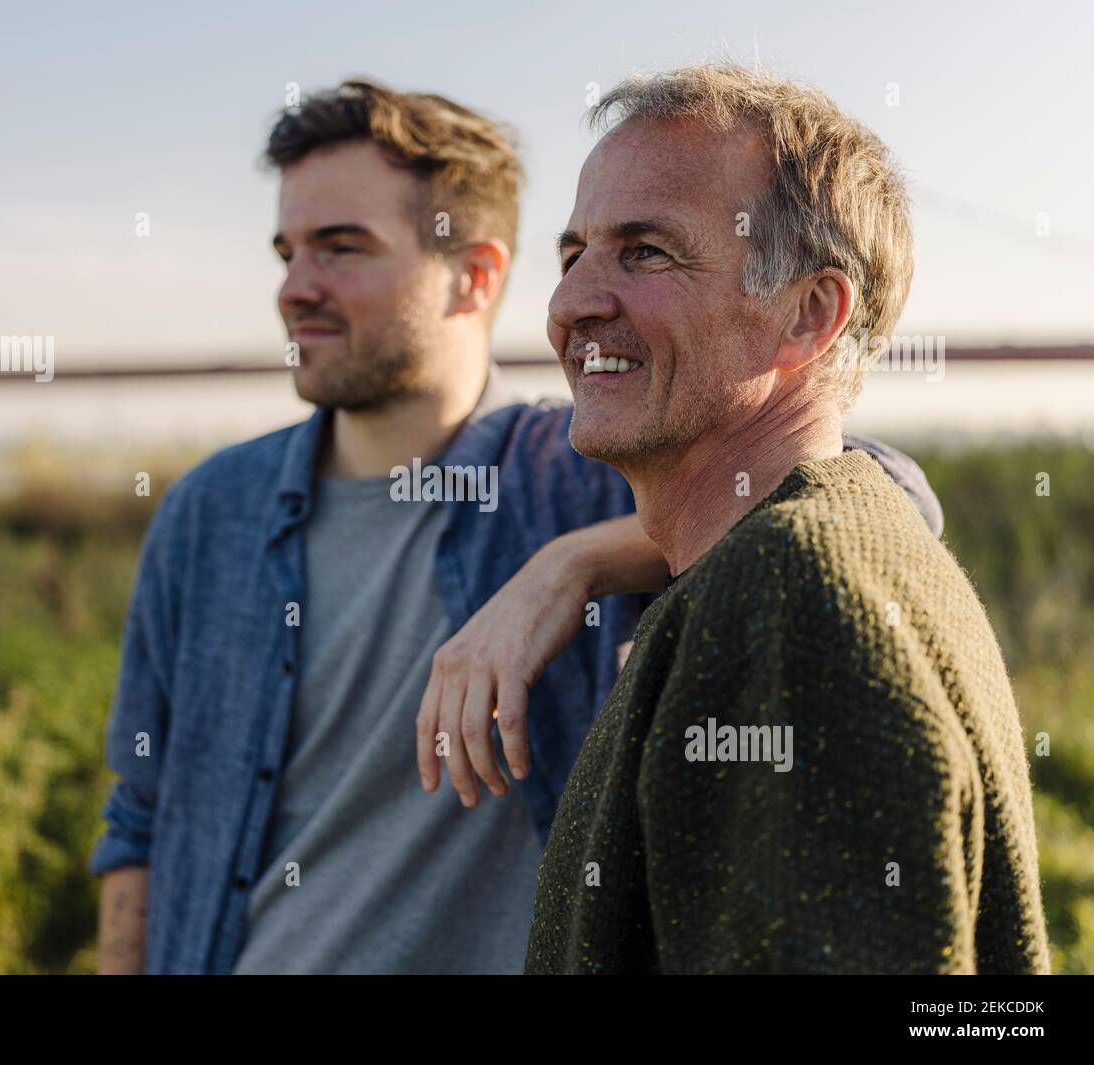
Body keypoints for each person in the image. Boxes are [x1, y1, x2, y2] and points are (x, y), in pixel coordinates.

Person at [88, 79, 942, 975]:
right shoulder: (210, 512)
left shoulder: (586, 472)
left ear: (476, 275)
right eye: (287, 251)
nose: (295, 289)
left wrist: (572, 564)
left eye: (341, 248)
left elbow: (872, 491)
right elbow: (139, 820)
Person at [519, 64, 1049, 974]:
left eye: (645, 250)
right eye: (574, 255)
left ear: (809, 314)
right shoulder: (821, 552)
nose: (571, 305)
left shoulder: (791, 598)